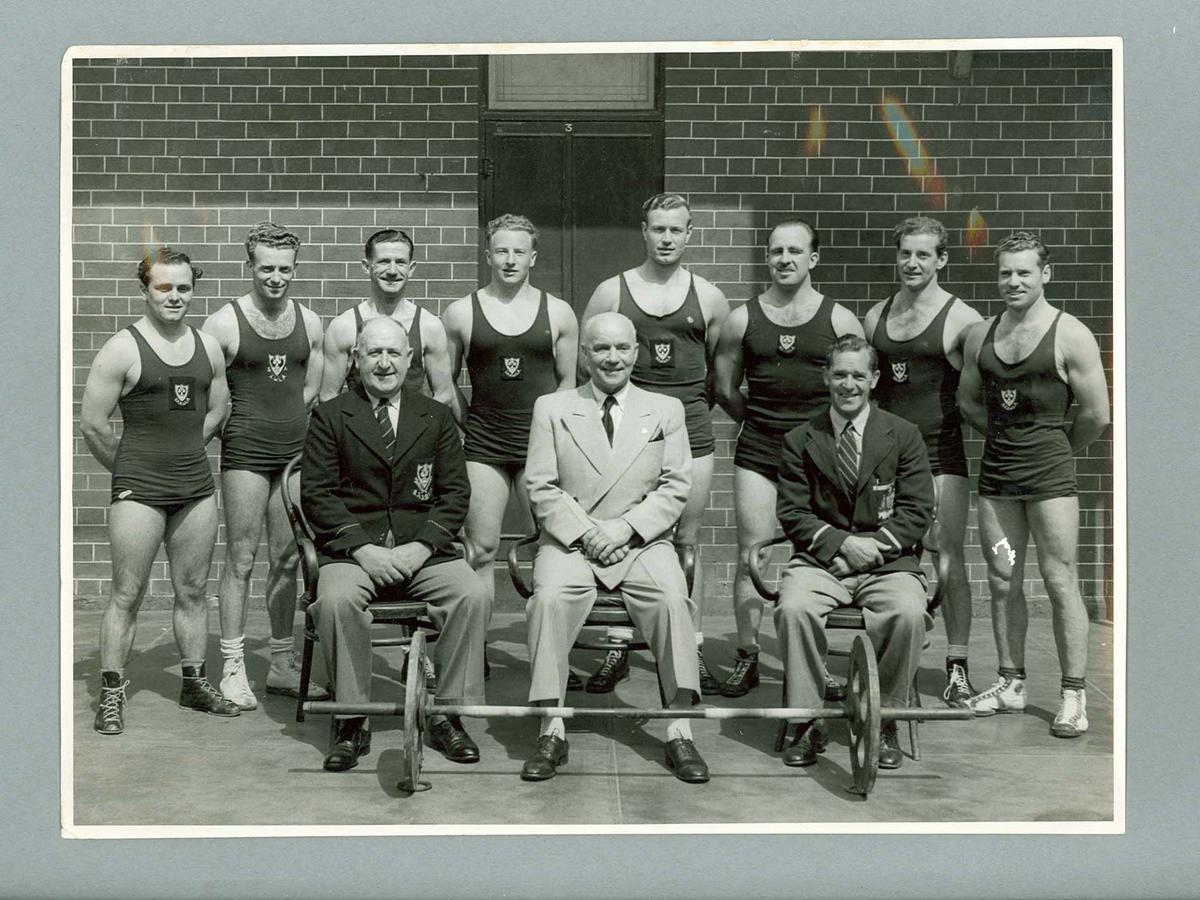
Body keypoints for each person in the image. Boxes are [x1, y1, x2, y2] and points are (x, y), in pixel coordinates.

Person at [521, 312, 707, 783]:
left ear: (636, 353)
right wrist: (587, 535)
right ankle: (552, 726)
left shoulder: (665, 409)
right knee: (549, 599)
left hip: (642, 543)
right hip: (572, 541)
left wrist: (624, 530)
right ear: (585, 355)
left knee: (671, 599)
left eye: (622, 348)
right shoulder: (553, 407)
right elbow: (541, 486)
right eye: (601, 348)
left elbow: (675, 486)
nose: (613, 358)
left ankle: (679, 729)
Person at [301, 317, 489, 772]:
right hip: (355, 552)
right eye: (374, 354)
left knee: (472, 593)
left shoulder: (437, 417)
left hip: (421, 551)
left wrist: (422, 547)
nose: (384, 364)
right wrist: (365, 550)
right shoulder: (331, 416)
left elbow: (455, 495)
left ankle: (446, 713)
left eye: (393, 354)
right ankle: (350, 719)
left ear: (410, 360)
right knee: (337, 600)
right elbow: (317, 495)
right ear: (356, 360)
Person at [80, 247, 240, 734]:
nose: (175, 296)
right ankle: (111, 693)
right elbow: (93, 425)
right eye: (164, 287)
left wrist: (190, 450)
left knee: (193, 591)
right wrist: (131, 470)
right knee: (128, 593)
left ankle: (194, 683)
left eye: (184, 287)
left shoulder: (208, 347)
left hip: (195, 486)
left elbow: (221, 407)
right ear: (146, 289)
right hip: (140, 490)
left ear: (194, 288)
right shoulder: (122, 349)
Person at [957, 232, 1110, 738]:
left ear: (1046, 274)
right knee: (1003, 579)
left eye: (1024, 271)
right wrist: (1008, 440)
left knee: (1060, 579)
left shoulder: (1071, 335)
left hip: (1050, 481)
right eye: (1005, 272)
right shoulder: (981, 334)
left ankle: (1073, 695)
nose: (1013, 281)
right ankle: (1010, 682)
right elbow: (970, 403)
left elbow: (1095, 415)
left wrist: (1053, 446)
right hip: (998, 479)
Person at [580, 193, 729, 695]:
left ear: (690, 234)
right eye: (658, 229)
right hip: (624, 440)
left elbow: (714, 372)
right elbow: (591, 361)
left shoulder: (708, 297)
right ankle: (619, 646)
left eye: (676, 230)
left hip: (690, 434)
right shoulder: (611, 291)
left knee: (686, 544)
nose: (667, 238)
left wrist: (680, 420)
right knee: (622, 535)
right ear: (644, 231)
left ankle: (692, 647)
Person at [713, 218, 862, 698]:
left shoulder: (840, 320)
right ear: (767, 258)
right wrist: (759, 420)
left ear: (813, 259)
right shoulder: (743, 318)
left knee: (817, 555)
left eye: (795, 251)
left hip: (822, 456)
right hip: (759, 450)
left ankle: (813, 662)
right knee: (751, 553)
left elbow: (855, 390)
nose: (784, 259)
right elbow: (725, 389)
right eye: (776, 251)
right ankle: (748, 654)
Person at [773, 335, 934, 770]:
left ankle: (883, 717)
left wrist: (869, 552)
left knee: (907, 613)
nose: (848, 385)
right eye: (840, 374)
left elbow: (918, 510)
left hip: (888, 563)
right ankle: (807, 721)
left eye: (858, 375)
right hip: (821, 561)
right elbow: (792, 512)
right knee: (793, 609)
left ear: (875, 379)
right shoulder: (801, 438)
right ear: (826, 377)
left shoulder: (903, 435)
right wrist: (842, 546)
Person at [201, 222, 329, 710]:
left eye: (284, 269)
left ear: (295, 269)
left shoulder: (310, 322)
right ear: (249, 266)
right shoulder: (224, 323)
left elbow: (310, 390)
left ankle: (279, 661)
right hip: (246, 455)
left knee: (288, 558)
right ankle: (233, 662)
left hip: (294, 456)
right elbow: (216, 398)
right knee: (240, 558)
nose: (276, 277)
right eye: (266, 268)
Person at [864, 216, 983, 707]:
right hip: (889, 462)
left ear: (942, 260)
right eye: (905, 254)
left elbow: (976, 398)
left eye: (923, 255)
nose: (912, 263)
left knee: (947, 557)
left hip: (940, 457)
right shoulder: (875, 317)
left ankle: (956, 666)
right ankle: (890, 658)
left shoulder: (963, 321)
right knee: (887, 554)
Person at [442, 214, 578, 609]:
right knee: (481, 549)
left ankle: (544, 650)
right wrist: (470, 422)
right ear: (488, 255)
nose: (510, 260)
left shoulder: (559, 313)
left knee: (549, 548)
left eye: (519, 252)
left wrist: (549, 436)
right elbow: (445, 383)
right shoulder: (461, 313)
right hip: (484, 448)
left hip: (540, 448)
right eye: (501, 251)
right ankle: (476, 650)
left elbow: (568, 385)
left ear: (533, 258)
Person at [318, 227, 457, 410]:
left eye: (400, 262)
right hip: (360, 431)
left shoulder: (429, 325)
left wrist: (417, 428)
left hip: (412, 433)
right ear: (367, 267)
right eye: (384, 262)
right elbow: (328, 396)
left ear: (411, 268)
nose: (392, 271)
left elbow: (444, 394)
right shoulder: (343, 326)